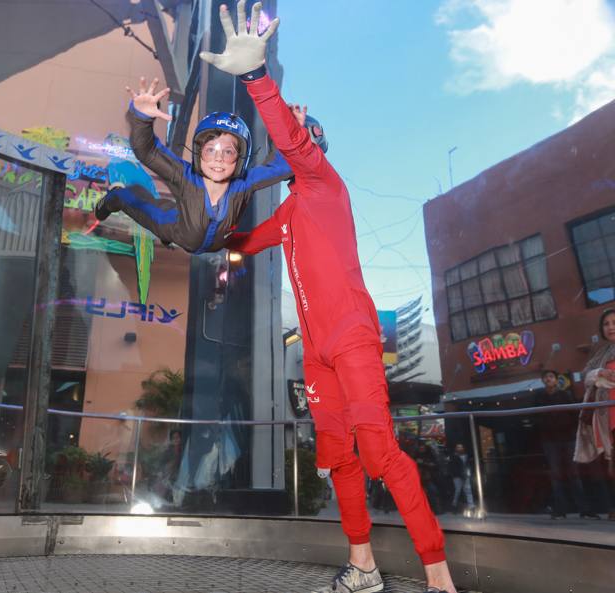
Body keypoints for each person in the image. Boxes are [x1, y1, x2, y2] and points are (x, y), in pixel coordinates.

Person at [200, 3, 457, 592]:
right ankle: (363, 569)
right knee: (338, 460)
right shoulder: (289, 210)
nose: (296, 143)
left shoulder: (327, 185)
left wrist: (257, 80)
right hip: (315, 350)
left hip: (353, 336)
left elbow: (294, 142)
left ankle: (440, 581)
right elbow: (234, 240)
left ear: (314, 147)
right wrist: (180, 222)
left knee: (381, 454)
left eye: (302, 136)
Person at [94, 78, 292, 255]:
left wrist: (291, 130)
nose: (219, 159)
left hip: (208, 241)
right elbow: (149, 152)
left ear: (240, 159)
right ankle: (115, 196)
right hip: (174, 228)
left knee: (170, 209)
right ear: (198, 154)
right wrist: (141, 119)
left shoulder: (244, 184)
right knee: (138, 204)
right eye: (210, 150)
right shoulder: (185, 176)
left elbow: (281, 167)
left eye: (229, 152)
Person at [534, 369, 599, 519]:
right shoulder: (538, 397)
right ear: (543, 380)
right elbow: (534, 416)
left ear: (556, 380)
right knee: (557, 475)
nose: (548, 379)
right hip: (550, 439)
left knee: (573, 474)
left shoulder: (565, 395)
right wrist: (544, 425)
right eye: (546, 377)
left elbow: (573, 414)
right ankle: (560, 509)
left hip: (567, 438)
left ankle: (584, 509)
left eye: (551, 377)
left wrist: (563, 426)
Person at [575, 308, 615, 521]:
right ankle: (613, 507)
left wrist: (599, 379)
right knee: (608, 463)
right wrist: (599, 374)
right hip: (603, 415)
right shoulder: (600, 354)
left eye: (614, 322)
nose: (611, 327)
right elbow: (583, 375)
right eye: (606, 323)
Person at [415, 444, 442, 516]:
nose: (421, 450)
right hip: (418, 478)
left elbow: (435, 466)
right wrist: (427, 464)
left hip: (427, 477)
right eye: (420, 448)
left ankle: (436, 509)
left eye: (423, 449)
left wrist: (428, 465)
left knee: (433, 492)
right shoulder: (415, 457)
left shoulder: (430, 457)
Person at [449, 443, 475, 515]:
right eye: (458, 447)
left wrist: (467, 474)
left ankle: (470, 506)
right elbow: (454, 467)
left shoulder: (464, 456)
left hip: (463, 475)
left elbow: (467, 465)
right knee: (459, 490)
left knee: (466, 490)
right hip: (458, 476)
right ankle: (455, 505)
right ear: (456, 449)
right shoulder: (455, 457)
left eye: (461, 447)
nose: (460, 448)